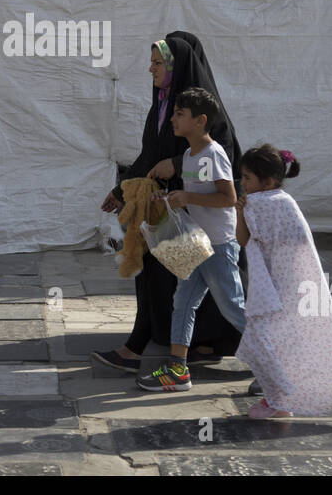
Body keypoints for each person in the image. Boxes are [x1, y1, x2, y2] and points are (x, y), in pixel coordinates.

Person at [94, 31, 244, 373]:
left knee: (215, 299)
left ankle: (270, 354)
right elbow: (150, 153)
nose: (150, 69)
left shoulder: (203, 113)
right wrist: (121, 191)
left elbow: (219, 161)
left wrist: (176, 166)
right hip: (166, 212)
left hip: (198, 221)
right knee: (176, 290)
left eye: (157, 63)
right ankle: (170, 357)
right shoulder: (163, 106)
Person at [235, 144, 332, 419]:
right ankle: (279, 397)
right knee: (279, 340)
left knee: (263, 338)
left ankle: (280, 399)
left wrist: (240, 211)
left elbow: (243, 239)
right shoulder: (285, 201)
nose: (243, 184)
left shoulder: (262, 204)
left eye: (248, 178)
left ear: (268, 181)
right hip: (293, 285)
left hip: (277, 288)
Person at [137, 88, 247, 392]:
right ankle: (178, 370)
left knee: (233, 309)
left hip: (219, 246)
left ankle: (278, 360)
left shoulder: (213, 155)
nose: (173, 119)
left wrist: (187, 195)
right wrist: (171, 200)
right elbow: (196, 200)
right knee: (183, 303)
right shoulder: (188, 154)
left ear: (200, 121)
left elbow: (228, 198)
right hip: (196, 244)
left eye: (179, 114)